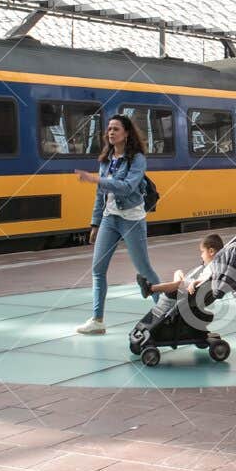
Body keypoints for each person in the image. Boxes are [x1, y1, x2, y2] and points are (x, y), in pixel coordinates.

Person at [75, 115, 159, 334]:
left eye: (116, 129)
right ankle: (97, 320)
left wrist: (97, 180)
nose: (111, 132)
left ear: (126, 133)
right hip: (109, 218)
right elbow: (99, 195)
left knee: (144, 269)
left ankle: (164, 312)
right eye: (109, 129)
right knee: (98, 269)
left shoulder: (137, 159)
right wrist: (95, 223)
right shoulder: (106, 159)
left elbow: (128, 187)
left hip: (131, 219)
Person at [142, 233, 222, 299]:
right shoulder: (215, 265)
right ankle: (152, 289)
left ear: (211, 251)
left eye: (202, 252)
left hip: (193, 287)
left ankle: (151, 289)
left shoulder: (213, 267)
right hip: (193, 284)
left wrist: (194, 282)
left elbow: (208, 280)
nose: (201, 255)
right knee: (178, 272)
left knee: (176, 284)